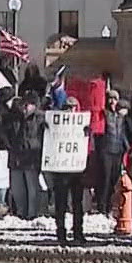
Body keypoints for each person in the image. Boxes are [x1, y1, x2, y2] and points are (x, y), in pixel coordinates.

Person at [47, 98, 91, 245]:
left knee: (77, 204)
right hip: (60, 170)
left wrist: (86, 133)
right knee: (61, 204)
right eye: (67, 107)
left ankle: (78, 231)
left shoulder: (82, 124)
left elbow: (89, 146)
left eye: (73, 107)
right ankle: (61, 233)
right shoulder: (56, 124)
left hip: (77, 171)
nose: (70, 111)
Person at [5, 95, 46, 218]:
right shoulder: (14, 118)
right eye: (24, 104)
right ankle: (21, 212)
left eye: (28, 105)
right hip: (16, 157)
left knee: (32, 188)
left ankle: (32, 213)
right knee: (17, 189)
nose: (25, 107)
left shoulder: (40, 118)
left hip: (31, 157)